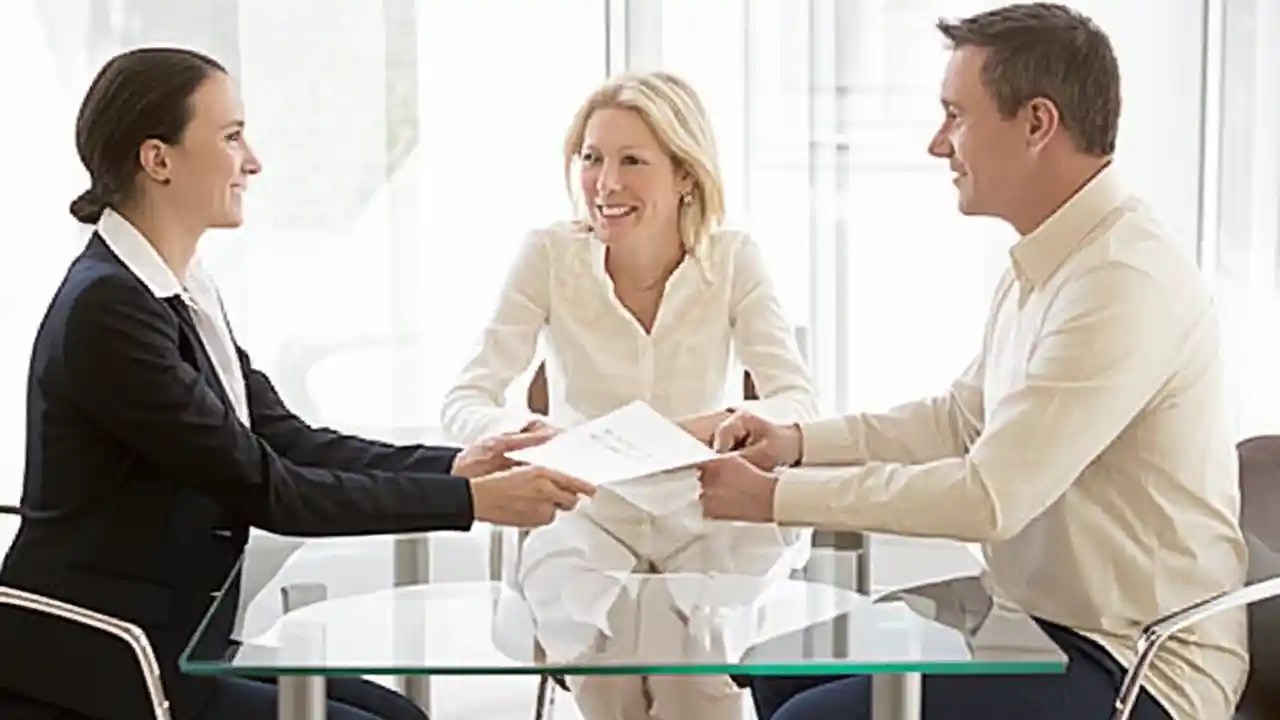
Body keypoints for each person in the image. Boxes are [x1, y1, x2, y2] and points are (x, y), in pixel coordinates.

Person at [0, 47, 594, 720]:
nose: (251, 160)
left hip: (177, 638)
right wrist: (471, 500)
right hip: (104, 657)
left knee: (399, 715)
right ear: (157, 159)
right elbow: (267, 489)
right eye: (230, 137)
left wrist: (460, 463)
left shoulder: (178, 290)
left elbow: (286, 438)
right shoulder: (109, 311)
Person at [696, 4, 1247, 720]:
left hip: (1130, 663)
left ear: (1037, 123)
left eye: (956, 115)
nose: (936, 143)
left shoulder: (1122, 282)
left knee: (810, 719)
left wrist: (770, 497)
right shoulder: (1048, 260)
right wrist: (795, 446)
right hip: (1029, 618)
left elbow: (988, 497)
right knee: (778, 670)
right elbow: (963, 419)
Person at [440, 70, 818, 720]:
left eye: (632, 161)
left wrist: (710, 426)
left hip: (708, 512)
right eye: (591, 158)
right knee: (605, 665)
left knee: (694, 676)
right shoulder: (549, 257)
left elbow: (798, 405)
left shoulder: (732, 261)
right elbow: (465, 399)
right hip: (584, 512)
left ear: (685, 177)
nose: (605, 183)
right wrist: (534, 435)